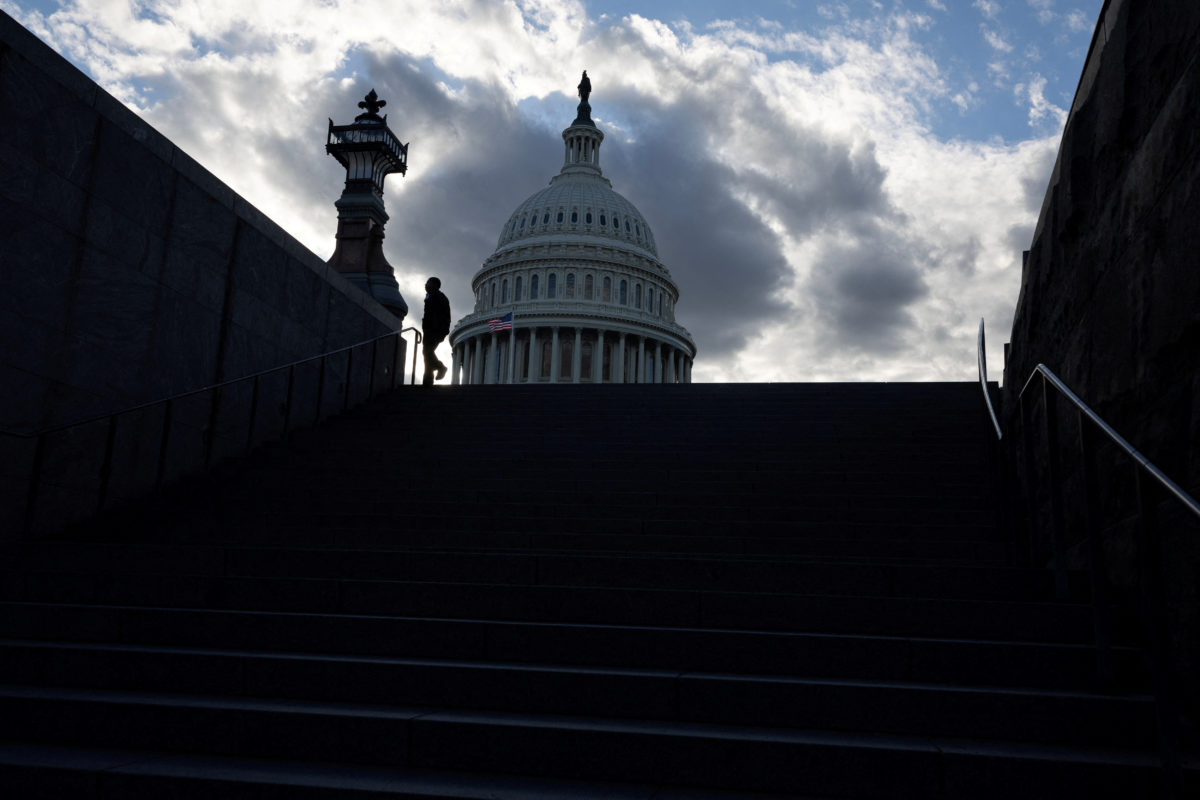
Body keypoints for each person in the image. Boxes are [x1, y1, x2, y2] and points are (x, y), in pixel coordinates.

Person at [421, 277, 451, 385]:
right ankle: (428, 379)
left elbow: (443, 316)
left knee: (427, 352)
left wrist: (440, 329)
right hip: (430, 329)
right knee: (427, 353)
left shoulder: (438, 296)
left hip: (434, 330)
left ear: (434, 284)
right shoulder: (430, 296)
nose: (425, 285)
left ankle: (440, 367)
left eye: (428, 283)